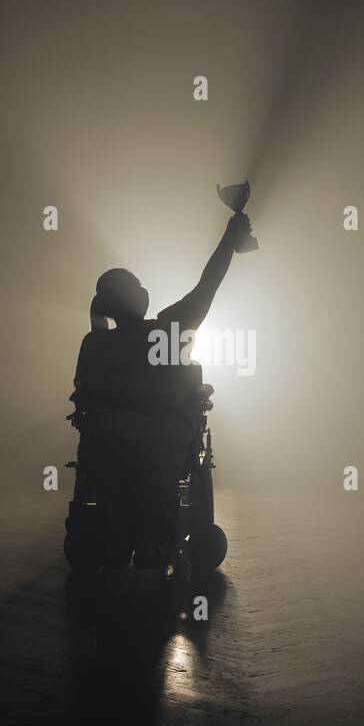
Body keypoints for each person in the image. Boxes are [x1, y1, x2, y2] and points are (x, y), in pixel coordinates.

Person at [73, 213, 253, 569]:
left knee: (115, 450)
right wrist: (230, 236)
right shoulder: (167, 328)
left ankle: (122, 538)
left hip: (109, 433)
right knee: (152, 447)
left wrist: (97, 320)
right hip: (163, 430)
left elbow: (83, 390)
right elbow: (209, 283)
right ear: (137, 298)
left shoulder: (96, 344)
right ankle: (155, 541)